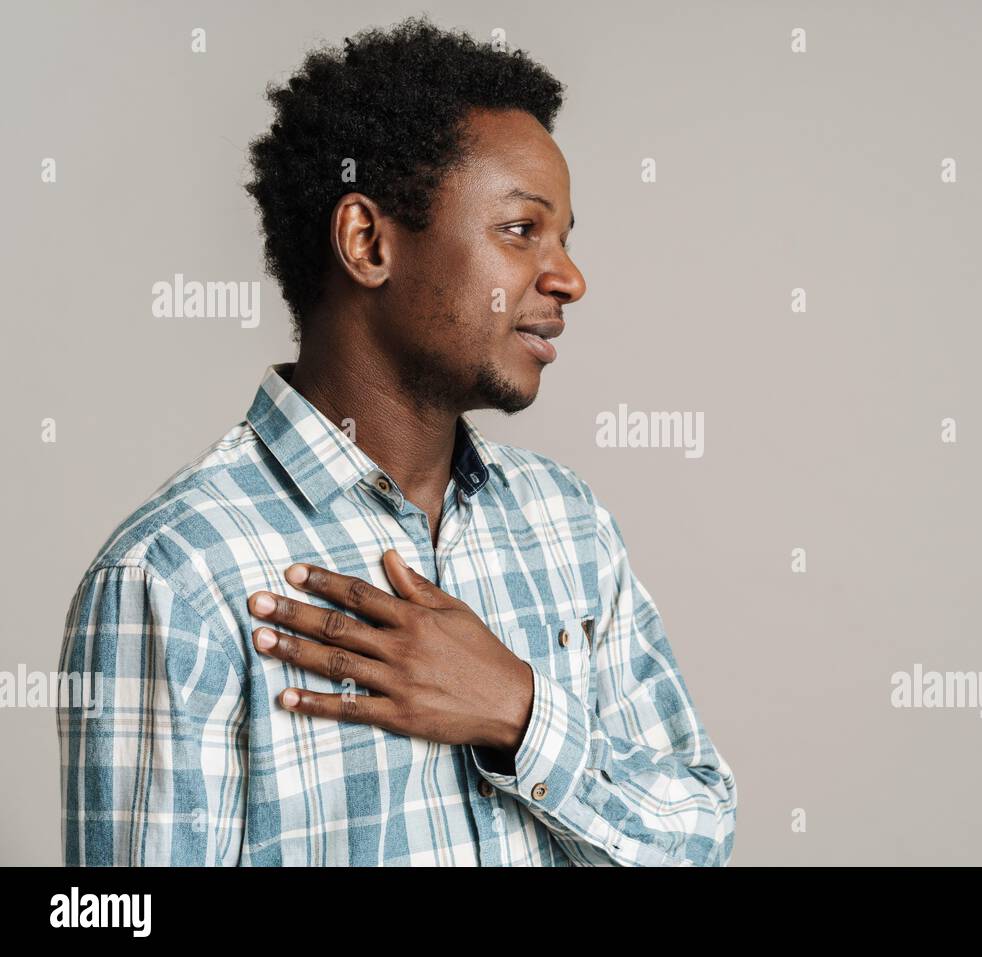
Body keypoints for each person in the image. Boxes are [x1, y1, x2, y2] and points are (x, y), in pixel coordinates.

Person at [57, 16, 736, 866]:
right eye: (522, 231)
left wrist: (520, 713)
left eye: (564, 239)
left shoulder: (569, 525)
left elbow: (699, 836)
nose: (569, 278)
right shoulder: (178, 572)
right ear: (368, 243)